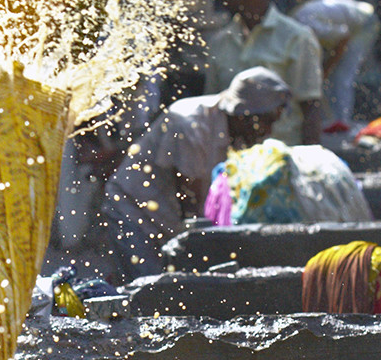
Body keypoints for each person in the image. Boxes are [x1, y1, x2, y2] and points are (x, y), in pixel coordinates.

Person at [101, 67, 291, 281]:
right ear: (243, 116)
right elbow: (191, 208)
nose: (268, 132)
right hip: (134, 211)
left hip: (168, 219)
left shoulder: (239, 133)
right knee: (150, 289)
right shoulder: (190, 124)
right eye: (266, 122)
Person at [205, 0, 322, 146]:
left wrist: (309, 157)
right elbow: (212, 108)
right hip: (232, 157)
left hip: (281, 155)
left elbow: (310, 108)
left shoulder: (296, 38)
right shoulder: (220, 42)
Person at [292, 0, 379, 127]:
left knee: (341, 77)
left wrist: (326, 69)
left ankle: (341, 123)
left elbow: (344, 37)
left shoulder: (308, 26)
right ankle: (331, 121)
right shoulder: (298, 27)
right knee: (330, 77)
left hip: (364, 24)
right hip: (353, 22)